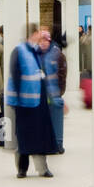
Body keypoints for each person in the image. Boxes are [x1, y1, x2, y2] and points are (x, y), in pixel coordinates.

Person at [7, 25, 62, 178]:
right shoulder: (19, 51)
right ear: (33, 34)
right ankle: (22, 169)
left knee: (40, 135)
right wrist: (16, 100)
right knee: (24, 136)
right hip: (24, 102)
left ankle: (42, 168)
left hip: (39, 100)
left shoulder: (37, 51)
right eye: (38, 32)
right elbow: (16, 75)